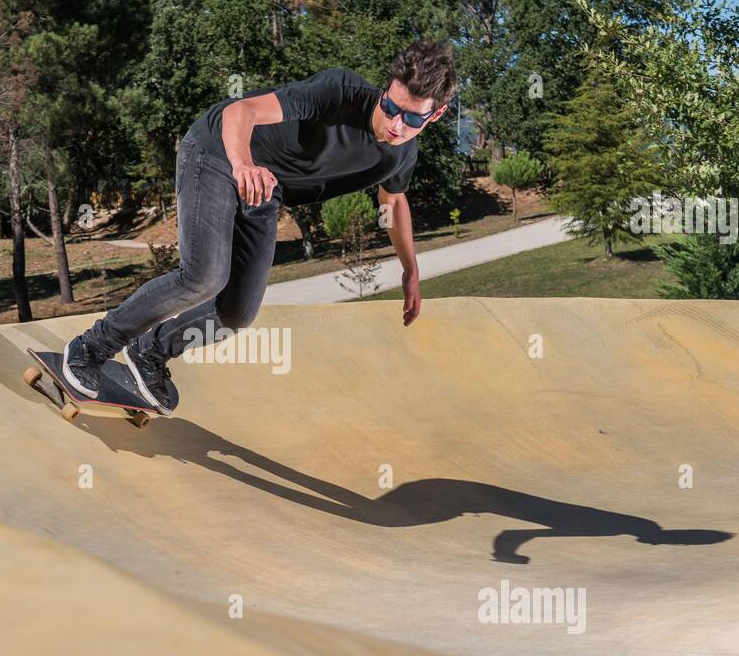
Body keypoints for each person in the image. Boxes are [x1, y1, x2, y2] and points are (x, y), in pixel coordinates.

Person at [62, 39, 457, 413]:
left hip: (266, 190)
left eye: (411, 118)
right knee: (205, 277)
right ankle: (90, 348)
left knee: (236, 313)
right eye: (390, 107)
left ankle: (150, 352)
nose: (395, 124)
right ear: (386, 90)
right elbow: (241, 111)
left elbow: (393, 201)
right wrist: (242, 164)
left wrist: (411, 270)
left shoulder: (402, 154)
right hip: (218, 152)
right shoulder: (339, 92)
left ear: (435, 114)